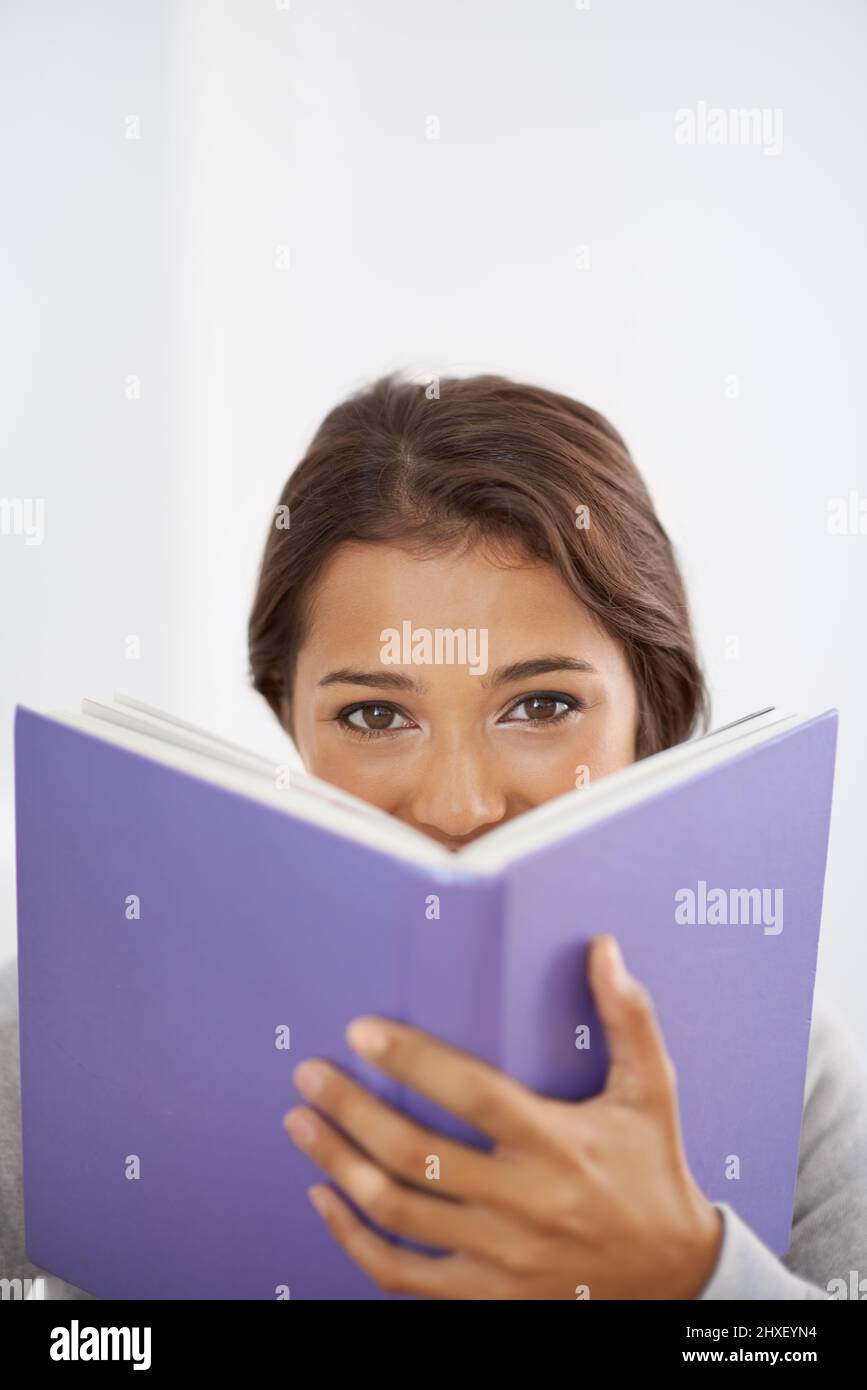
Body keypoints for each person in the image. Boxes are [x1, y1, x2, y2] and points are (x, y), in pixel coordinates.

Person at [2, 372, 866, 1298]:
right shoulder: (55, 1037)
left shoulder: (788, 1071)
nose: (458, 808)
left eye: (542, 704)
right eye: (374, 715)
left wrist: (691, 1276)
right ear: (289, 718)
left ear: (647, 714)